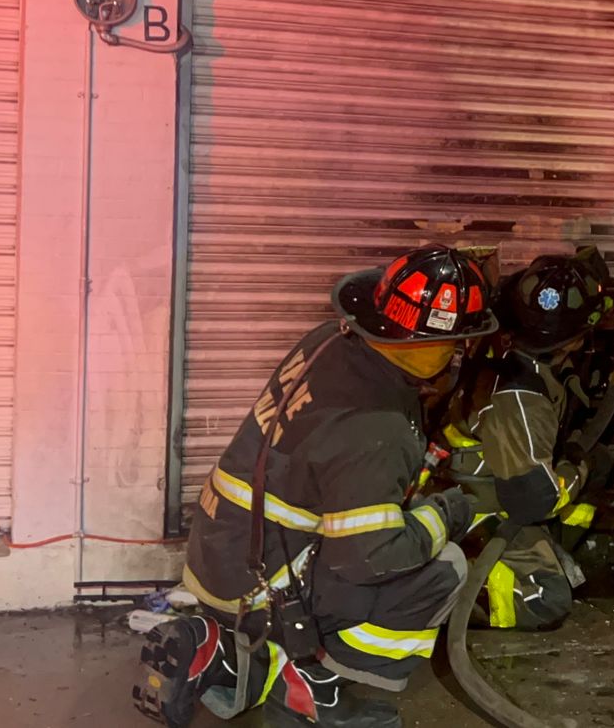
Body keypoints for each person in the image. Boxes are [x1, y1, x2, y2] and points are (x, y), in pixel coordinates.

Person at [134, 245, 499, 728]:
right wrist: (448, 514)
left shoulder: (328, 341)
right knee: (441, 569)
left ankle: (220, 653)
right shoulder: (377, 425)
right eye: (457, 343)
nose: (458, 354)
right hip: (265, 585)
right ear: (433, 346)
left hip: (218, 557)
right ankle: (317, 693)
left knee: (348, 551)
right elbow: (372, 557)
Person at [442, 246, 614, 630]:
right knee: (545, 600)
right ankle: (443, 587)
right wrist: (575, 468)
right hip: (478, 503)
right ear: (574, 338)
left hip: (498, 477)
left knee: (600, 467)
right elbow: (533, 500)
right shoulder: (521, 396)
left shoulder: (513, 342)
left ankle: (546, 549)